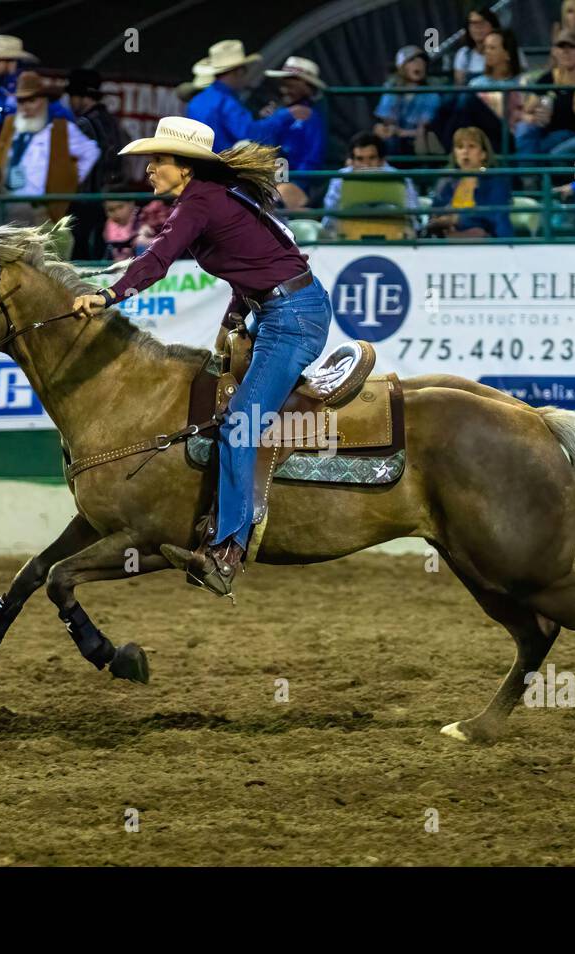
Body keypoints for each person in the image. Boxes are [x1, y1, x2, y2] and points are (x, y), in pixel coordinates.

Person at [70, 116, 333, 594]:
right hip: (285, 309)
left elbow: (157, 260)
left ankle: (227, 550)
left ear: (185, 166)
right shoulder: (215, 197)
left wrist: (109, 295)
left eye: (158, 160)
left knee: (238, 425)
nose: (149, 169)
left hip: (291, 317)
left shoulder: (200, 201)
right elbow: (255, 261)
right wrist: (234, 319)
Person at [0, 71, 100, 224]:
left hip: (40, 209)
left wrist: (69, 180)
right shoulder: (10, 126)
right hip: (6, 206)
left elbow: (91, 151)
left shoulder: (61, 129)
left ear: (44, 101)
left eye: (31, 100)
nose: (26, 107)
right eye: (21, 101)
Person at [186, 40, 308, 152]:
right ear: (239, 71)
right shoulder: (227, 102)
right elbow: (250, 134)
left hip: (200, 169)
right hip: (224, 169)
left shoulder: (196, 102)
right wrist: (284, 115)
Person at [66, 68, 124, 259]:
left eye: (73, 96)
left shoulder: (83, 124)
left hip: (86, 201)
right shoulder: (113, 122)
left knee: (81, 254)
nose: (70, 101)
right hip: (111, 199)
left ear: (82, 96)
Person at [321, 132, 421, 233]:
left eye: (372, 158)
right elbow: (330, 218)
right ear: (351, 161)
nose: (366, 165)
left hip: (392, 238)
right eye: (360, 159)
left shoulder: (401, 179)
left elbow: (413, 217)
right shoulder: (340, 179)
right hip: (351, 238)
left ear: (382, 160)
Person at [515, 30, 575, 155]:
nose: (565, 51)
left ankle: (531, 171)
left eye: (572, 47)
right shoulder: (548, 78)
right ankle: (528, 173)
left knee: (543, 147)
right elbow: (527, 109)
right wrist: (531, 118)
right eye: (561, 47)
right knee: (524, 129)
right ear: (554, 51)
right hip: (548, 131)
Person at [427, 126, 514, 238]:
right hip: (447, 236)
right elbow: (434, 213)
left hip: (487, 238)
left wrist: (457, 219)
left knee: (477, 232)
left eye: (471, 146)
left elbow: (493, 216)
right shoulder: (446, 181)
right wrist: (441, 221)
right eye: (460, 147)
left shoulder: (496, 180)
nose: (465, 151)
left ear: (483, 154)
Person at [373, 46, 444, 157]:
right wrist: (384, 129)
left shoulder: (431, 93)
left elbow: (425, 128)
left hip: (418, 140)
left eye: (422, 61)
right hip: (396, 140)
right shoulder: (391, 88)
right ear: (401, 67)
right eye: (412, 61)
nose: (418, 64)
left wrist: (400, 132)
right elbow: (387, 120)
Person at [262, 57, 328, 174]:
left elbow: (311, 160)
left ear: (307, 88)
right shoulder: (279, 113)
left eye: (290, 86)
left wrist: (293, 185)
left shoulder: (312, 118)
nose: (284, 90)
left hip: (293, 183)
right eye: (282, 85)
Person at [455, 5, 502, 83]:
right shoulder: (463, 54)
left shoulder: (508, 49)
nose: (477, 28)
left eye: (482, 23)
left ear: (493, 26)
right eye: (473, 23)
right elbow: (459, 87)